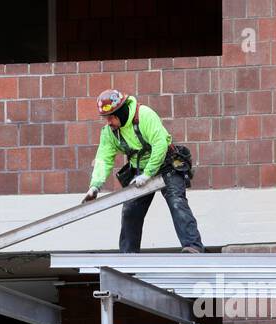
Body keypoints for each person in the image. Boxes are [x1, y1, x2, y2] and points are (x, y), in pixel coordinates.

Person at [82, 89, 205, 255]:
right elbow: (103, 158)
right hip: (139, 171)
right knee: (130, 210)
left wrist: (148, 174)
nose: (108, 122)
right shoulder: (110, 133)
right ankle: (128, 255)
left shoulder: (144, 115)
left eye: (111, 117)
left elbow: (160, 144)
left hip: (166, 164)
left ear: (121, 112)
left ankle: (193, 247)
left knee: (177, 202)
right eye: (106, 118)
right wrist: (95, 186)